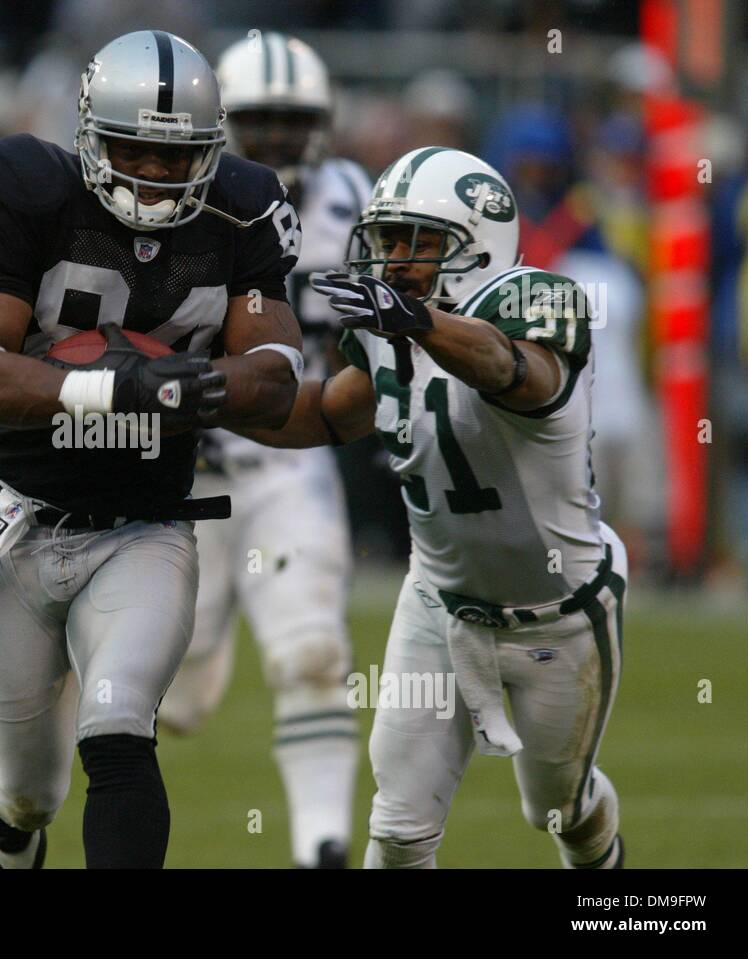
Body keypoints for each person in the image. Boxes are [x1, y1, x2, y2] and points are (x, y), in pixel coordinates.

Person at [0, 30, 306, 868]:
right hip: (18, 521)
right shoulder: (21, 187)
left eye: (176, 155)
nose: (155, 174)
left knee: (119, 725)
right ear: (90, 133)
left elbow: (272, 382)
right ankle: (8, 815)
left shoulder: (245, 207)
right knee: (26, 794)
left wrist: (183, 389)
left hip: (147, 526)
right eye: (134, 150)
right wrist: (125, 388)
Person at [239, 146, 627, 869]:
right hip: (440, 604)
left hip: (558, 610)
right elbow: (322, 415)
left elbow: (513, 371)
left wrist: (417, 322)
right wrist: (196, 396)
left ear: (473, 243)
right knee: (398, 827)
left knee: (556, 808)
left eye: (414, 240)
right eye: (384, 238)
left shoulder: (535, 304)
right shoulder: (390, 330)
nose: (393, 258)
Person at [157, 32, 366, 869]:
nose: (277, 138)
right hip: (181, 469)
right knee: (167, 692)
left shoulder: (356, 201)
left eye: (293, 120)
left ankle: (323, 845)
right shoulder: (178, 203)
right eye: (258, 120)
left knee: (313, 651)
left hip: (290, 461)